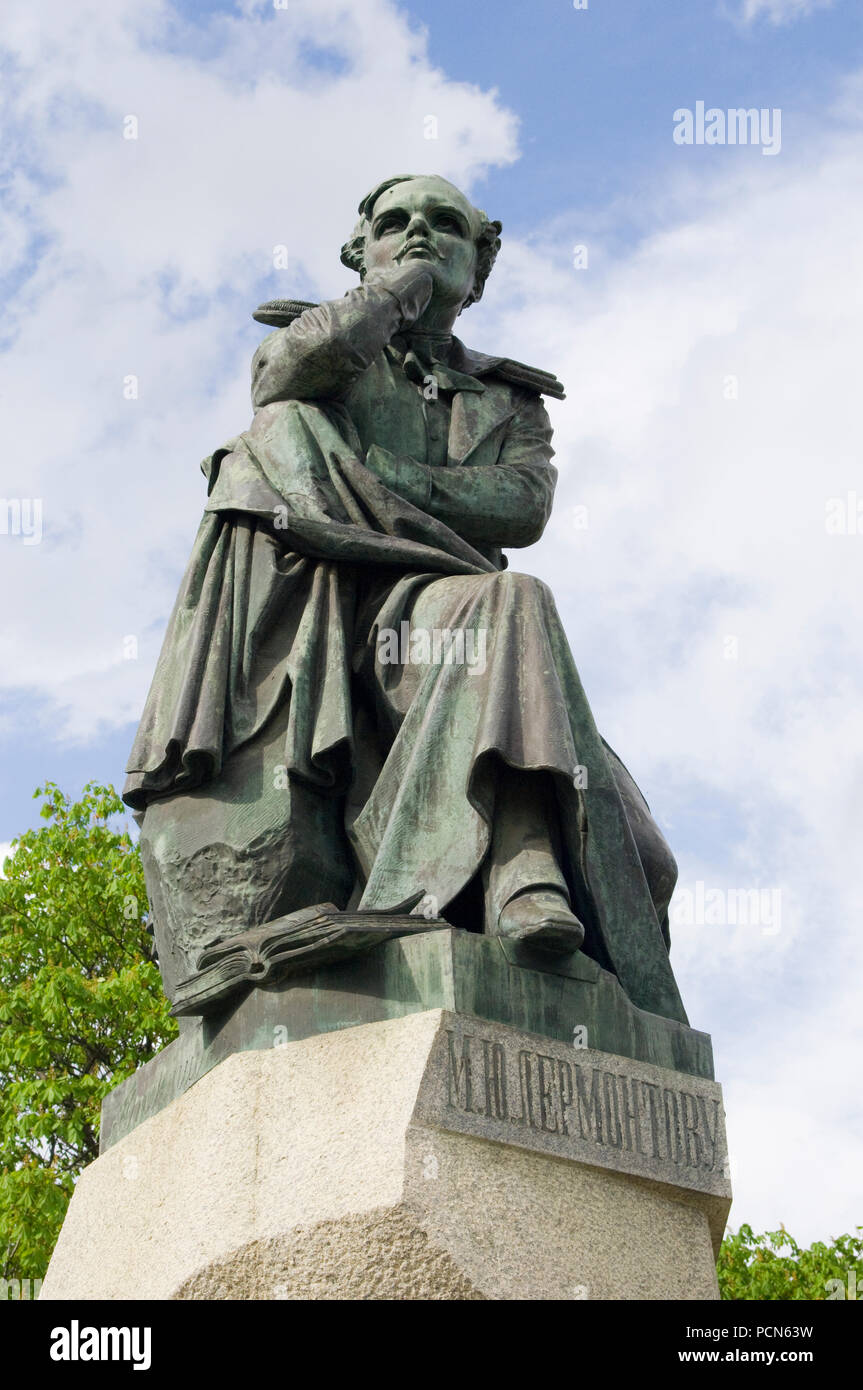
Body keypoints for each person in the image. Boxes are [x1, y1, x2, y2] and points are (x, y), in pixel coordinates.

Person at [124, 174, 686, 1024]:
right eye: (395, 225)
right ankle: (520, 874)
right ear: (362, 253)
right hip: (342, 627)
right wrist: (386, 300)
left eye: (445, 228)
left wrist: (370, 476)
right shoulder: (329, 345)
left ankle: (528, 880)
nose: (419, 235)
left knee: (644, 860)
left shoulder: (509, 399)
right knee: (511, 601)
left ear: (480, 263)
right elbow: (283, 386)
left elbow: (521, 506)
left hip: (471, 628)